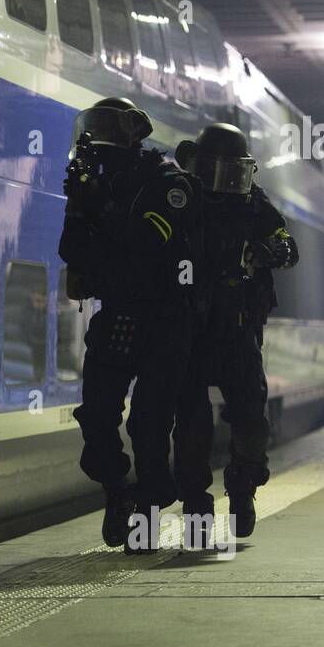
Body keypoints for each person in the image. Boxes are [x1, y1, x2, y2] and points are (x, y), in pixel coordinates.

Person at [59, 97, 202, 551]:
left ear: (131, 132)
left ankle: (149, 510)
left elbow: (148, 238)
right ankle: (117, 490)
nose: (98, 139)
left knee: (149, 423)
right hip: (118, 313)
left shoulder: (166, 183)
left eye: (107, 128)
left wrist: (100, 209)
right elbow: (71, 250)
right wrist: (82, 205)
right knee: (97, 414)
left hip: (164, 319)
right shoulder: (94, 184)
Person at [171, 123, 298, 544]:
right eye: (214, 169)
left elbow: (286, 246)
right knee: (190, 428)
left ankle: (242, 490)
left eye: (232, 171)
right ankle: (195, 508)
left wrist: (267, 252)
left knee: (250, 421)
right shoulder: (181, 200)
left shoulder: (254, 205)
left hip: (237, 331)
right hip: (189, 329)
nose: (222, 180)